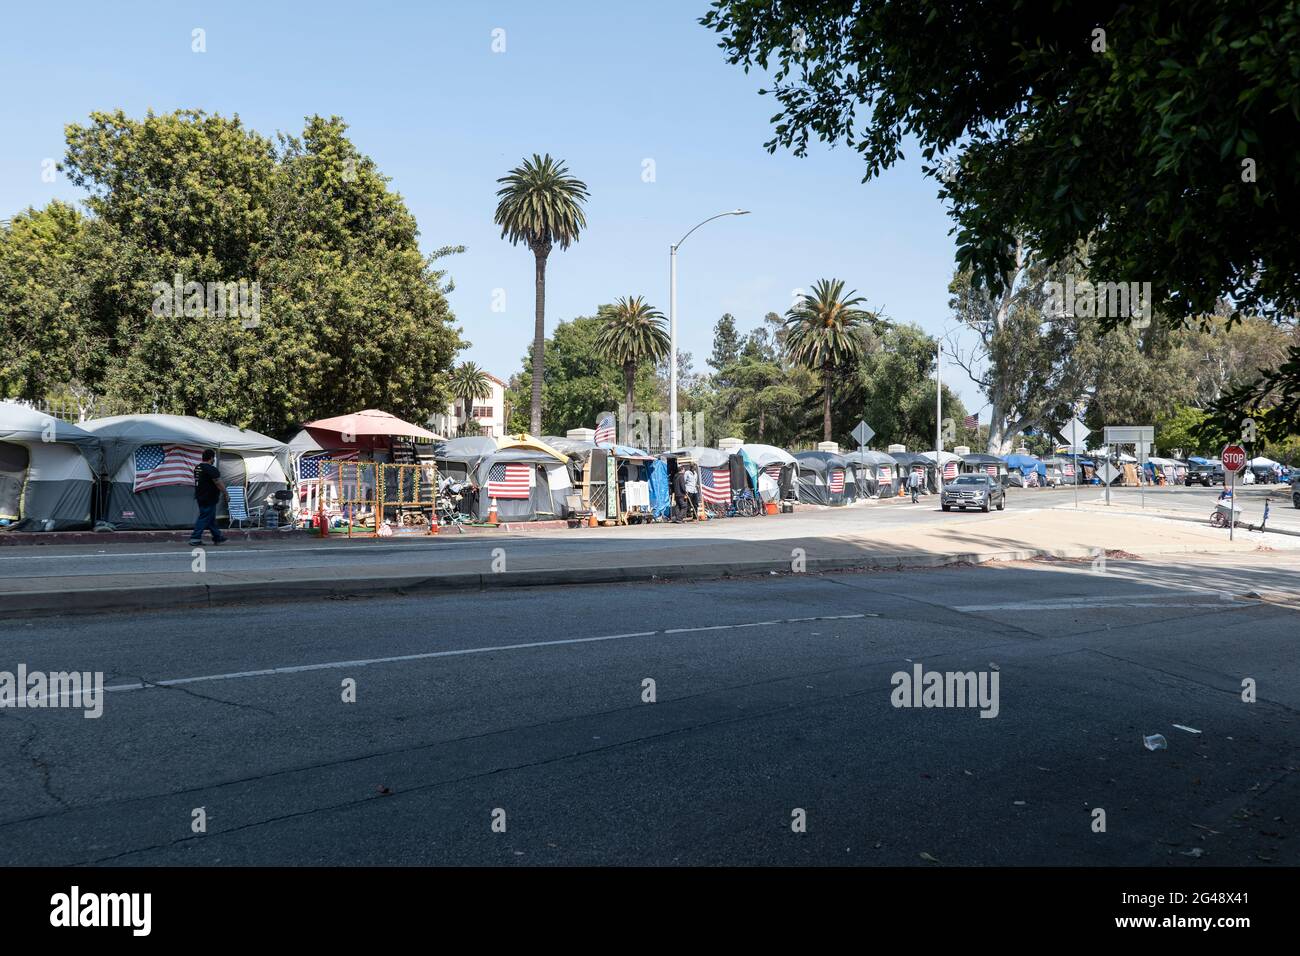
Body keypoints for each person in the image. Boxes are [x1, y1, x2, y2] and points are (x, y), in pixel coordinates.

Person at [189, 449, 228, 546]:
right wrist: (226, 493)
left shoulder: (197, 468)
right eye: (213, 458)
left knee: (210, 519)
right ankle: (195, 538)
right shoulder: (211, 469)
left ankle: (217, 537)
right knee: (204, 517)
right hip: (209, 498)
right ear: (211, 458)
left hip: (200, 496)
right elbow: (218, 482)